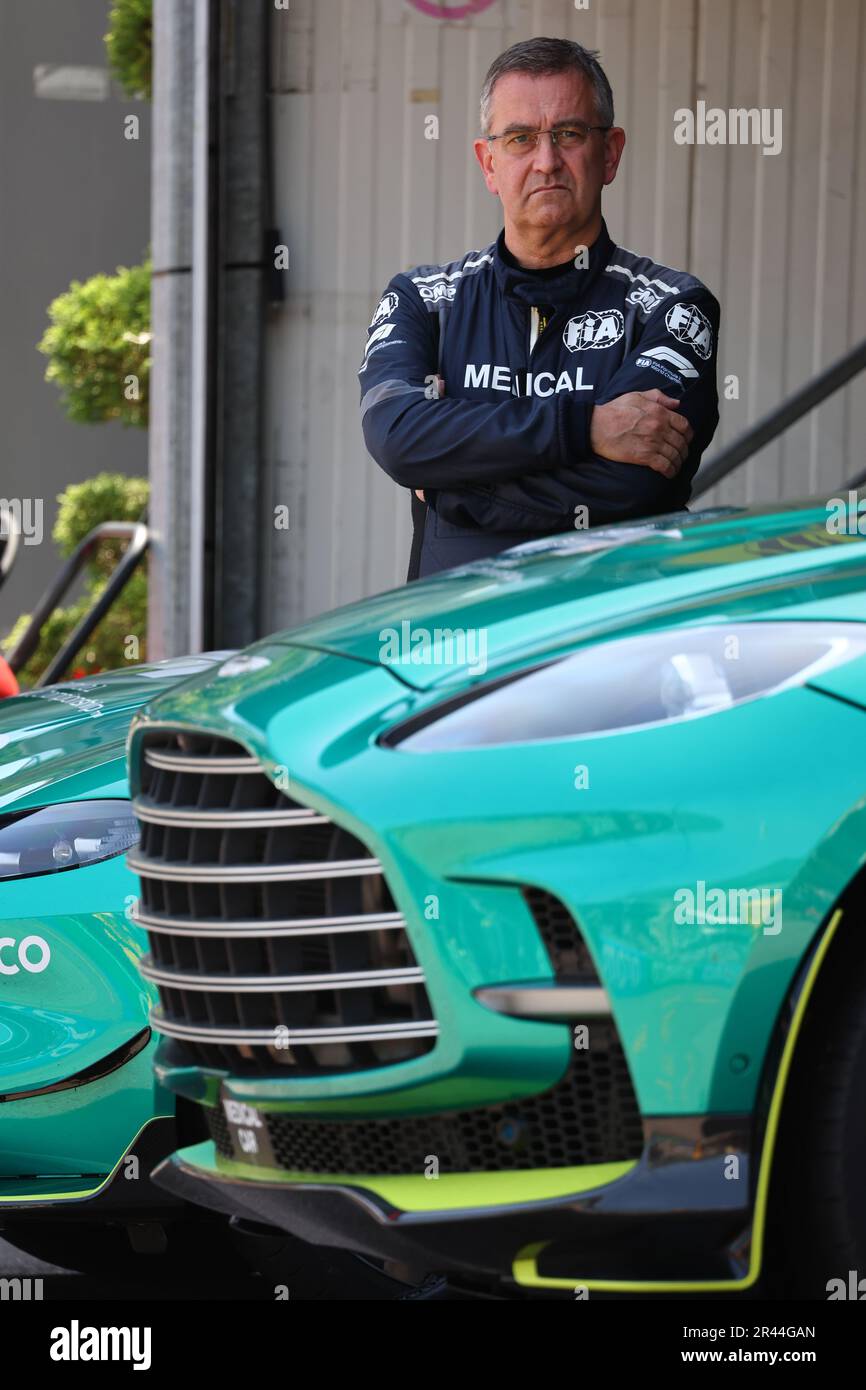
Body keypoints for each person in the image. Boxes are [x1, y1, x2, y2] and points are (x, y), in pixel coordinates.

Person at [359, 36, 720, 580]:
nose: (546, 161)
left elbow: (631, 486)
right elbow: (396, 436)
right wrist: (582, 430)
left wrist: (446, 484)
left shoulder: (671, 306)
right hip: (456, 648)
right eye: (521, 138)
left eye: (569, 134)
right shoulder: (424, 300)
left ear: (611, 152)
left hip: (614, 645)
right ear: (488, 163)